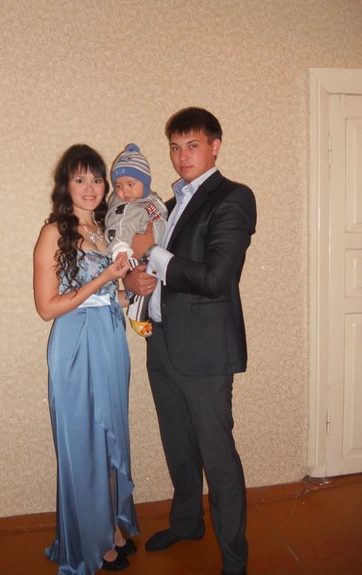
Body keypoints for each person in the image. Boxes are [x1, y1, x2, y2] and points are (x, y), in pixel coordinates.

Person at [124, 107, 256, 575]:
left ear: (215, 146)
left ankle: (235, 558)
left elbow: (217, 277)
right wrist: (137, 279)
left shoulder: (234, 198)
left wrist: (154, 255)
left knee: (218, 458)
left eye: (193, 145)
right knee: (177, 445)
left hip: (205, 352)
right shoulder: (166, 204)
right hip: (161, 342)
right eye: (175, 147)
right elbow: (151, 266)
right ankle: (186, 523)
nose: (182, 156)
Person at [33, 144, 139, 574]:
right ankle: (91, 543)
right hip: (76, 345)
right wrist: (105, 279)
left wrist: (132, 290)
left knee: (110, 435)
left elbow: (112, 291)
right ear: (66, 185)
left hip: (110, 339)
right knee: (84, 444)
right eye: (80, 179)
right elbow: (47, 307)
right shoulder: (53, 233)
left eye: (97, 179)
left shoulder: (106, 229)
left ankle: (110, 526)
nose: (91, 187)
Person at [105, 143, 167, 337]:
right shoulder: (125, 206)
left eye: (130, 184)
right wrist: (121, 249)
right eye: (118, 186)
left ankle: (145, 312)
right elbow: (119, 226)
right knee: (144, 283)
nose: (124, 191)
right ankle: (137, 316)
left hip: (153, 253)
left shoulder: (148, 200)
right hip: (129, 254)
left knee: (151, 284)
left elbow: (160, 213)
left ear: (145, 183)